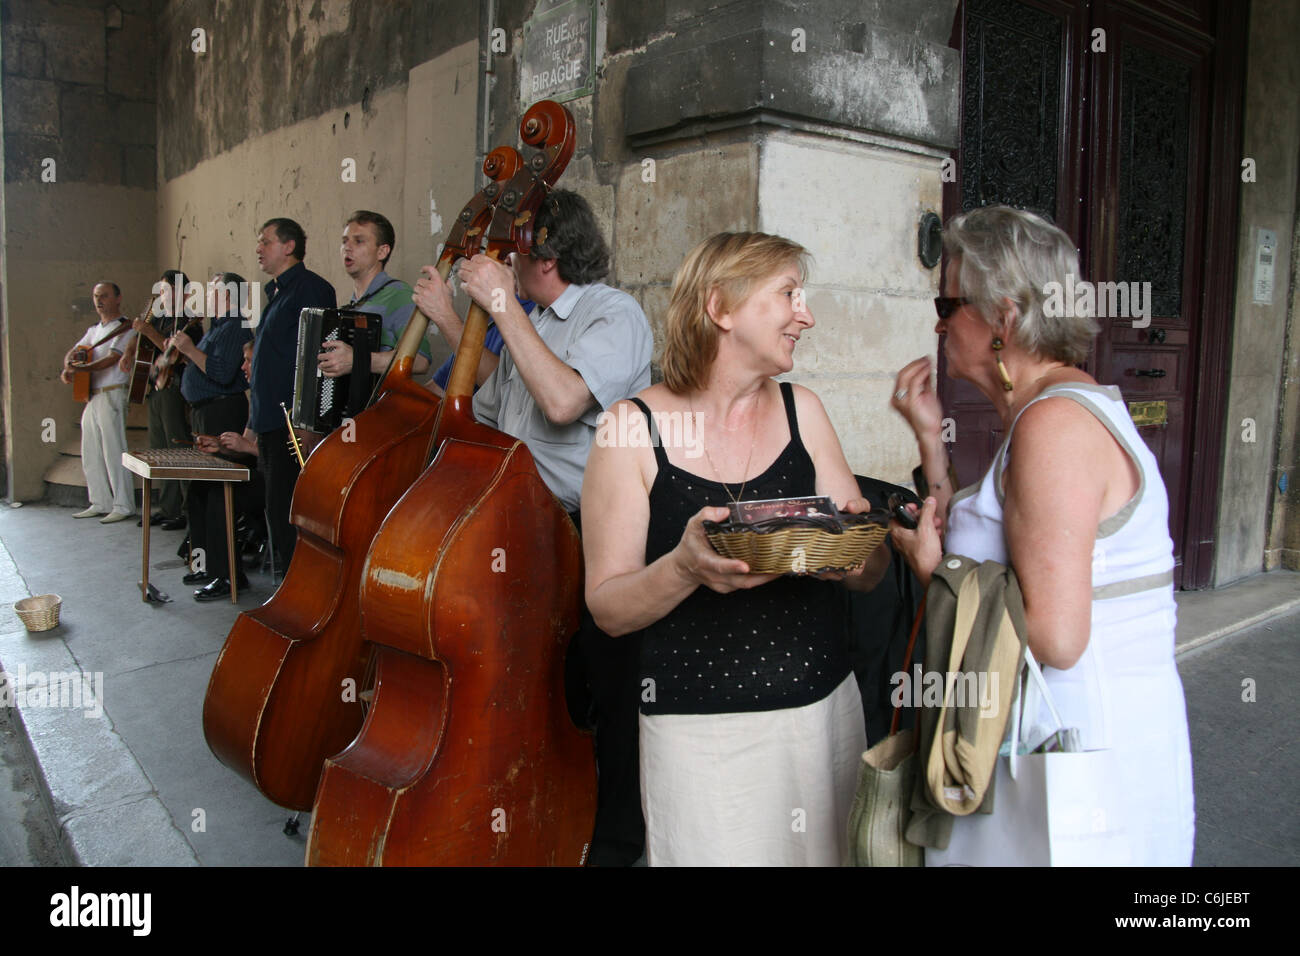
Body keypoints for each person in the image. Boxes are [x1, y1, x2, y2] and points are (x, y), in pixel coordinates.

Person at [887, 205, 1194, 866]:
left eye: (949, 302)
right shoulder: (1049, 411)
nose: (938, 321)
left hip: (1073, 748)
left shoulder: (1053, 426)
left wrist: (931, 574)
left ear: (1001, 317)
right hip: (1060, 732)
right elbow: (992, 541)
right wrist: (928, 440)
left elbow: (1055, 636)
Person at [581, 232, 889, 866]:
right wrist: (684, 568)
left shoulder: (805, 410)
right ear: (720, 307)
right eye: (788, 295)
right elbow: (608, 607)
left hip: (823, 713)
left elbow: (867, 573)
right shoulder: (629, 429)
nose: (806, 314)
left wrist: (857, 549)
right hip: (701, 736)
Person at [412, 189, 653, 866]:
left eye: (514, 251)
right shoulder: (535, 320)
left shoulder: (613, 314)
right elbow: (492, 396)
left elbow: (562, 398)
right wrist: (447, 320)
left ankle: (611, 842)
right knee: (532, 682)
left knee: (596, 694)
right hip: (518, 525)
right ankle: (533, 808)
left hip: (584, 531)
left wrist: (500, 306)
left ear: (542, 252)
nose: (506, 264)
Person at [248, 217, 336, 569]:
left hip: (292, 423)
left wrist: (308, 421)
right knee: (276, 507)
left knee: (291, 510)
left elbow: (317, 357)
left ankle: (300, 587)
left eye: (265, 241)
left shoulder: (310, 288)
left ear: (288, 247)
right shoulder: (278, 292)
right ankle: (289, 585)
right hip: (271, 420)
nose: (258, 248)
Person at [175, 275, 256, 600]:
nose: (207, 295)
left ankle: (227, 575)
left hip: (222, 412)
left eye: (213, 290)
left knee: (216, 492)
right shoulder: (218, 325)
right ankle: (204, 563)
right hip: (204, 412)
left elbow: (222, 374)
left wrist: (189, 349)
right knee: (198, 489)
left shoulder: (236, 326)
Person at [119, 269, 203, 529]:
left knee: (177, 447)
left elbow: (174, 352)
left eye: (167, 291)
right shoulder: (160, 318)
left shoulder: (189, 322)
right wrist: (130, 348)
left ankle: (185, 510)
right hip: (155, 387)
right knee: (160, 449)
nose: (163, 296)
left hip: (175, 388)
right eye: (161, 291)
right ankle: (168, 507)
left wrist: (148, 332)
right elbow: (138, 336)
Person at [317, 210, 432, 380]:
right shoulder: (353, 304)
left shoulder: (399, 295)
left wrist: (358, 360)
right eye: (344, 241)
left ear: (382, 251)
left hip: (383, 406)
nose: (347, 247)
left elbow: (421, 361)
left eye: (359, 241)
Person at [61, 281, 137, 523]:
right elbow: (73, 352)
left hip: (113, 392)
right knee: (90, 449)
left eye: (104, 295)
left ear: (118, 298)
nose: (98, 300)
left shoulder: (125, 328)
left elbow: (111, 360)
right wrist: (68, 366)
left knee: (115, 449)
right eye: (95, 296)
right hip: (92, 395)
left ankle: (123, 504)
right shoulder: (94, 329)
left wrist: (79, 370)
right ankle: (100, 500)